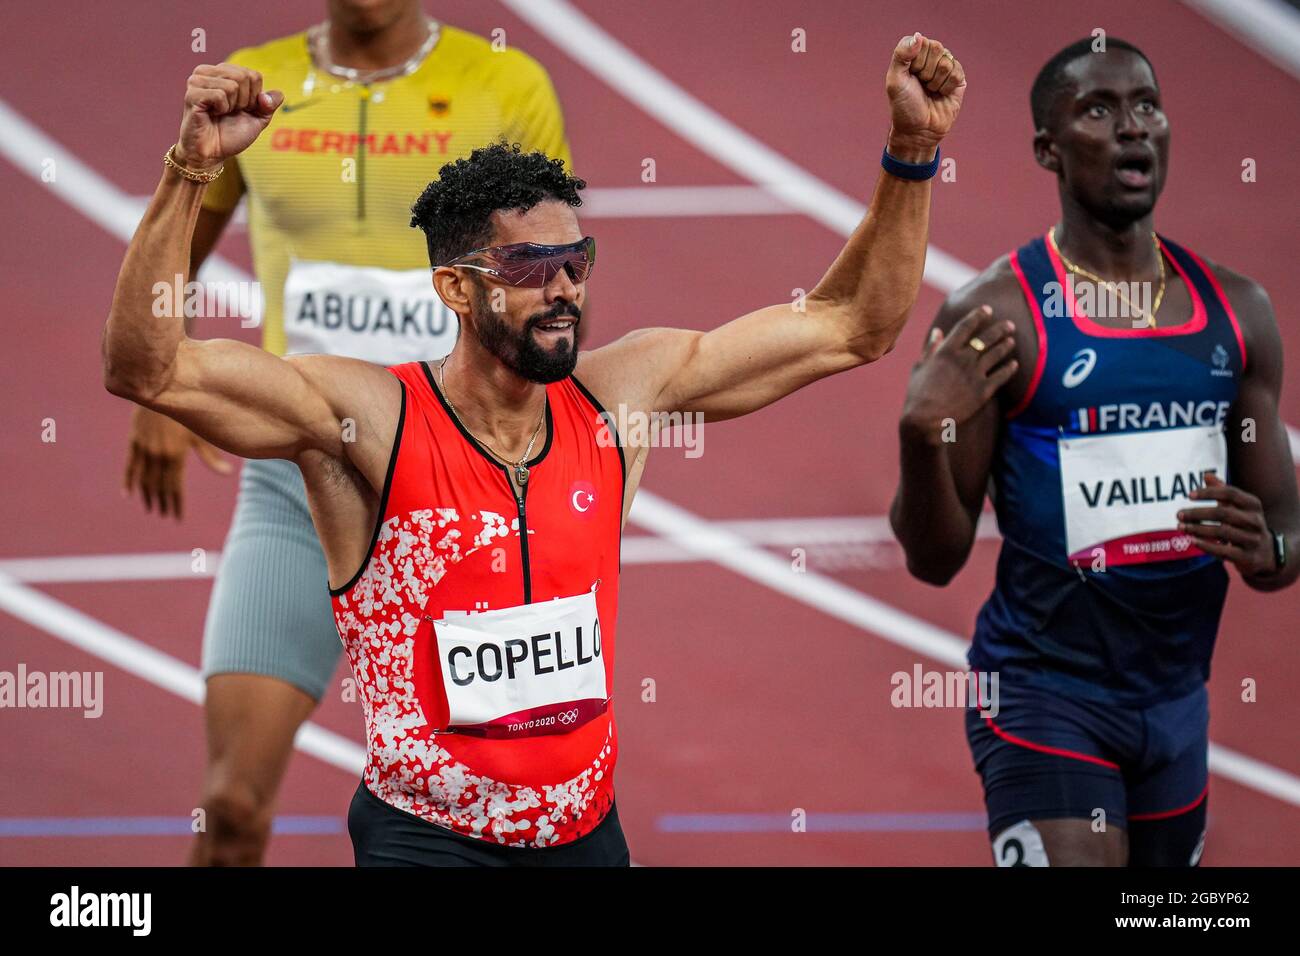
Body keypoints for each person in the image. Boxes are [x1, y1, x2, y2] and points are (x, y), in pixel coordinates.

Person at [105, 32, 967, 865]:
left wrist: (912, 153)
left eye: (575, 262)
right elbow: (149, 370)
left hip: (587, 838)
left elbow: (854, 325)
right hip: (427, 842)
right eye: (526, 270)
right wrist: (191, 171)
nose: (560, 291)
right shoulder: (367, 416)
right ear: (454, 287)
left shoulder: (623, 394)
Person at [119, 0, 572, 865]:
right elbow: (181, 243)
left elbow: (547, 275)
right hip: (301, 475)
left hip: (455, 492)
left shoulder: (505, 82)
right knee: (231, 806)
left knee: (505, 807)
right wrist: (157, 398)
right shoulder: (259, 83)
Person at [889, 37, 1298, 867]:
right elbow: (935, 559)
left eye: (1146, 105)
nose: (1132, 130)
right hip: (1043, 696)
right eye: (1099, 112)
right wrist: (920, 436)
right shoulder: (999, 316)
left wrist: (1274, 546)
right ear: (1049, 148)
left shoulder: (1238, 316)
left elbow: (1284, 539)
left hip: (1178, 707)